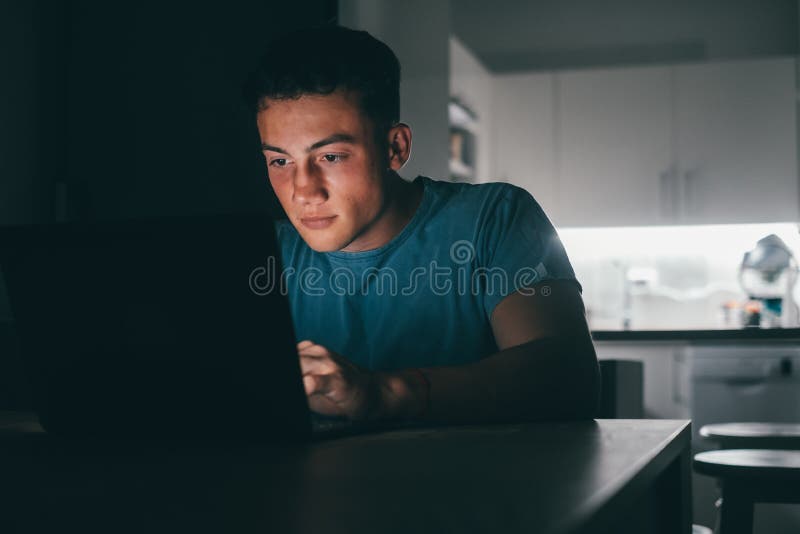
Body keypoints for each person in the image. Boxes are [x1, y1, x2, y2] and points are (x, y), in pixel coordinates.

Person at [243, 25, 599, 424]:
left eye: (331, 157)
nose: (304, 190)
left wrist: (383, 394)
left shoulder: (495, 217)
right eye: (280, 161)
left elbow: (569, 379)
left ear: (395, 148)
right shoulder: (266, 253)